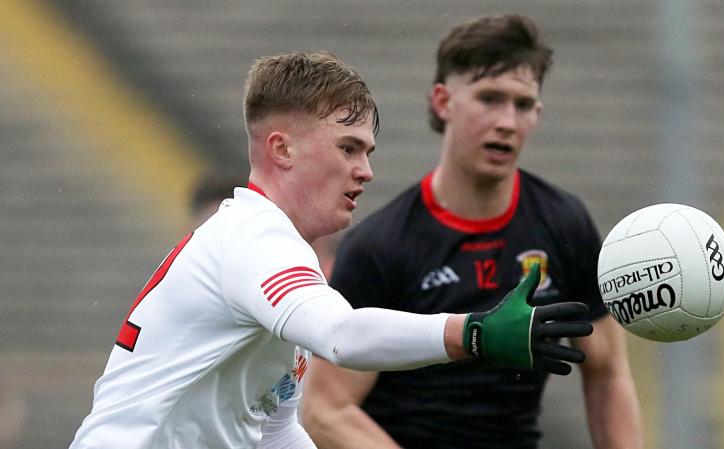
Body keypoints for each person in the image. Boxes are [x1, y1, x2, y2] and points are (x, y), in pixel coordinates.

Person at [69, 52, 592, 449]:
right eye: (348, 148)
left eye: (367, 151)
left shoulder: (270, 253)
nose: (365, 170)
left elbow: (275, 430)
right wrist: (473, 331)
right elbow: (342, 337)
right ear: (282, 148)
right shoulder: (255, 239)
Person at [302, 14, 642, 449]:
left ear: (537, 114)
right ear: (443, 101)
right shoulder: (382, 247)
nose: (507, 121)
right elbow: (326, 411)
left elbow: (608, 370)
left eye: (522, 104)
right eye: (489, 98)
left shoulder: (564, 223)